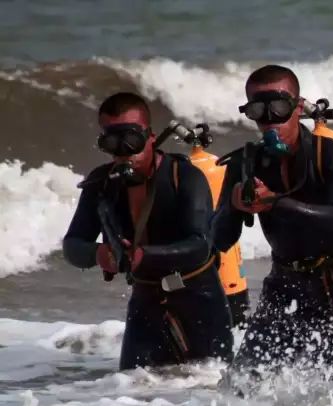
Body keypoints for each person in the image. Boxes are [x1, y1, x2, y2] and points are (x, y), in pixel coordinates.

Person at [211, 65, 333, 382]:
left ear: (298, 108)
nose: (271, 120)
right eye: (259, 112)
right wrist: (232, 206)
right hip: (283, 287)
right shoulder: (246, 163)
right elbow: (219, 241)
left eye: (279, 108)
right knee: (240, 386)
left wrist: (276, 202)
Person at [62, 92, 233, 370]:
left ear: (151, 137)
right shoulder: (101, 184)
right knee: (131, 388)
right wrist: (99, 254)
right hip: (145, 301)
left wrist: (145, 256)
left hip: (199, 298)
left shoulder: (184, 176)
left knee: (210, 385)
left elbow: (200, 245)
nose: (124, 150)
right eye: (112, 142)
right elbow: (72, 245)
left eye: (132, 139)